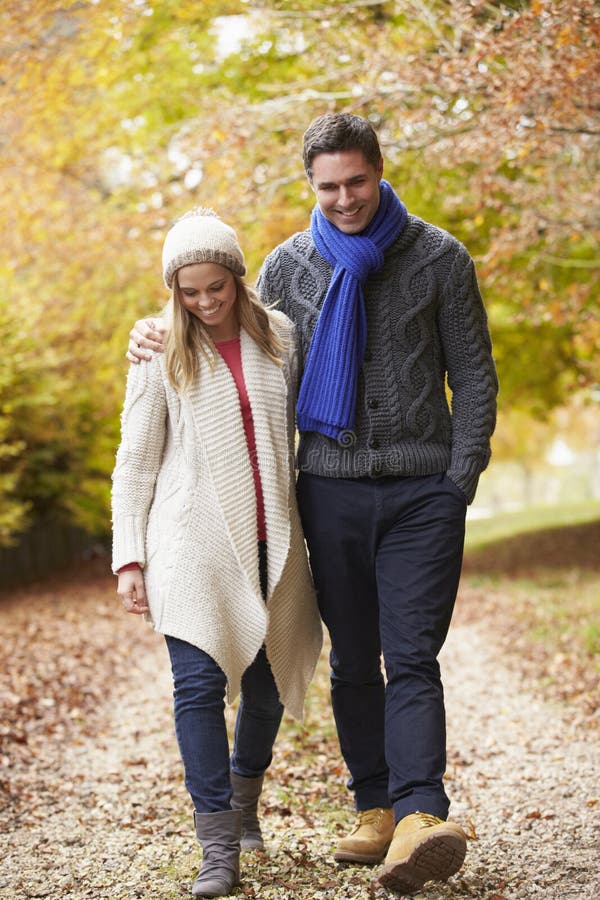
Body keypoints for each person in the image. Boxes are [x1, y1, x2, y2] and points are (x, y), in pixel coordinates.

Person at [126, 114, 498, 896]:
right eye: (329, 186)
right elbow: (226, 336)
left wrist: (458, 480)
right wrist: (150, 334)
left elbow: (473, 375)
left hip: (422, 491)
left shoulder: (440, 257)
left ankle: (420, 813)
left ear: (380, 171)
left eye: (356, 181)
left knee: (413, 653)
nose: (345, 198)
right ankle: (374, 808)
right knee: (354, 660)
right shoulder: (287, 268)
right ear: (311, 185)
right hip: (327, 490)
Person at [112, 208, 322, 899]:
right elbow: (135, 463)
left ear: (237, 276)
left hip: (274, 543)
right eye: (189, 292)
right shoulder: (158, 351)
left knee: (267, 689)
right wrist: (129, 558)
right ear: (173, 291)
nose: (204, 303)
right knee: (197, 690)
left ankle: (243, 800)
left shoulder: (280, 336)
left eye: (216, 288)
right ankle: (217, 847)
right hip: (190, 548)